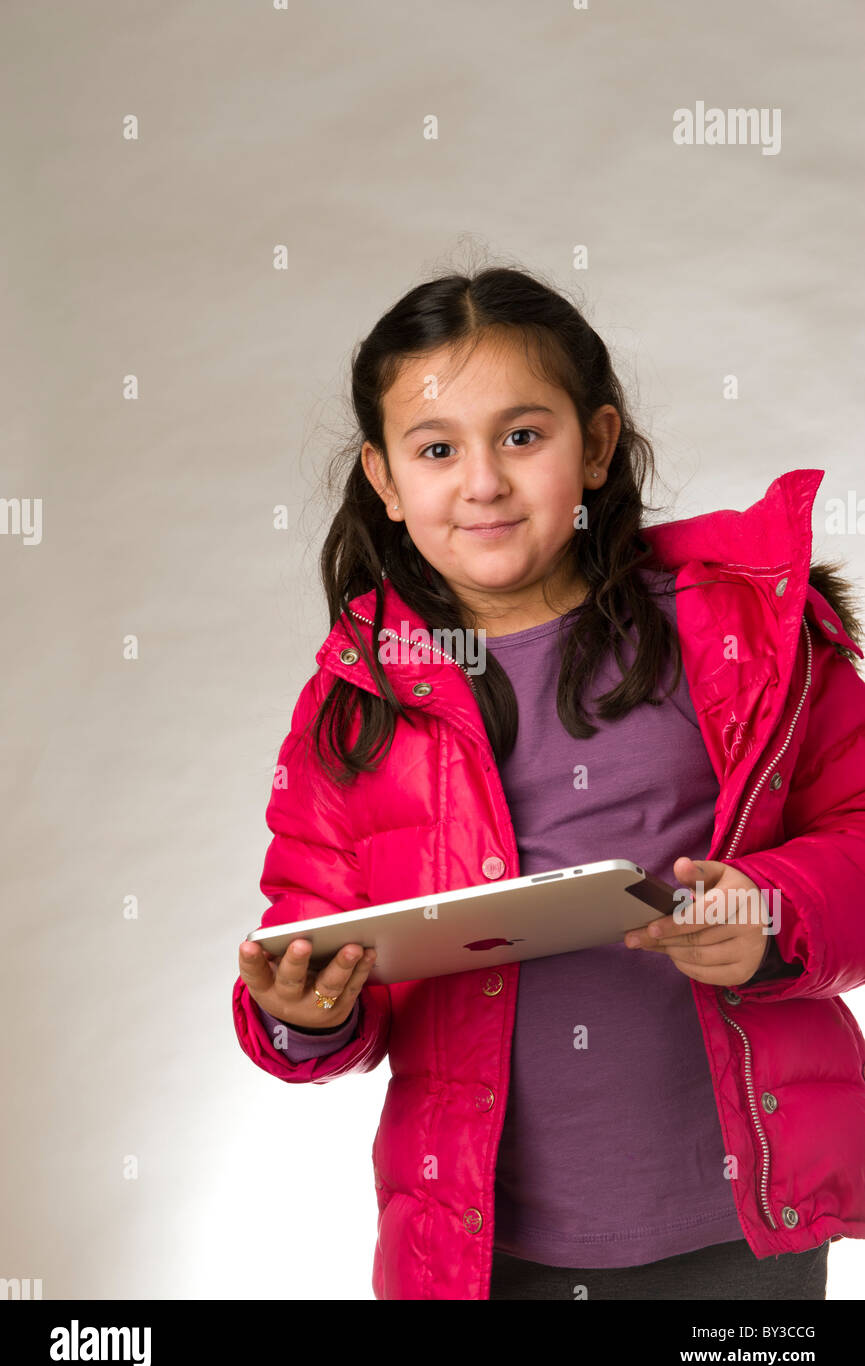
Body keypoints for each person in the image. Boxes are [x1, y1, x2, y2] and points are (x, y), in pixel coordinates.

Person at [233, 264, 865, 1301]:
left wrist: (773, 910)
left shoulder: (736, 633)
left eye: (522, 437)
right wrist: (300, 1010)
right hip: (481, 1246)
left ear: (599, 445)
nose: (482, 482)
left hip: (738, 1224)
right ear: (386, 481)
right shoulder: (358, 700)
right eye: (436, 450)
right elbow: (317, 937)